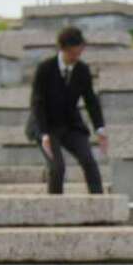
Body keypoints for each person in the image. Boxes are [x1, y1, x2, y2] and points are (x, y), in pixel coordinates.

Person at [29, 25, 108, 195]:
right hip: (46, 124)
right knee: (57, 167)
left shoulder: (82, 70)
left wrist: (100, 128)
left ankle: (100, 201)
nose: (76, 58)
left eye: (79, 53)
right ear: (62, 49)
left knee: (89, 161)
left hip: (70, 125)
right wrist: (44, 134)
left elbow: (91, 100)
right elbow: (37, 102)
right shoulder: (45, 69)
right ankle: (55, 205)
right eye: (72, 54)